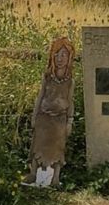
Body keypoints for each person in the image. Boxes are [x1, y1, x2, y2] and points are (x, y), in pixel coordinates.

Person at [25, 37, 75, 186]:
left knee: (58, 147)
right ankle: (33, 173)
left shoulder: (70, 81)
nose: (60, 59)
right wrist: (34, 115)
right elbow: (40, 96)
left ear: (69, 58)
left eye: (64, 55)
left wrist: (70, 121)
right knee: (38, 144)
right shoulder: (47, 77)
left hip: (60, 118)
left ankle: (55, 178)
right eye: (57, 54)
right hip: (44, 116)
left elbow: (70, 101)